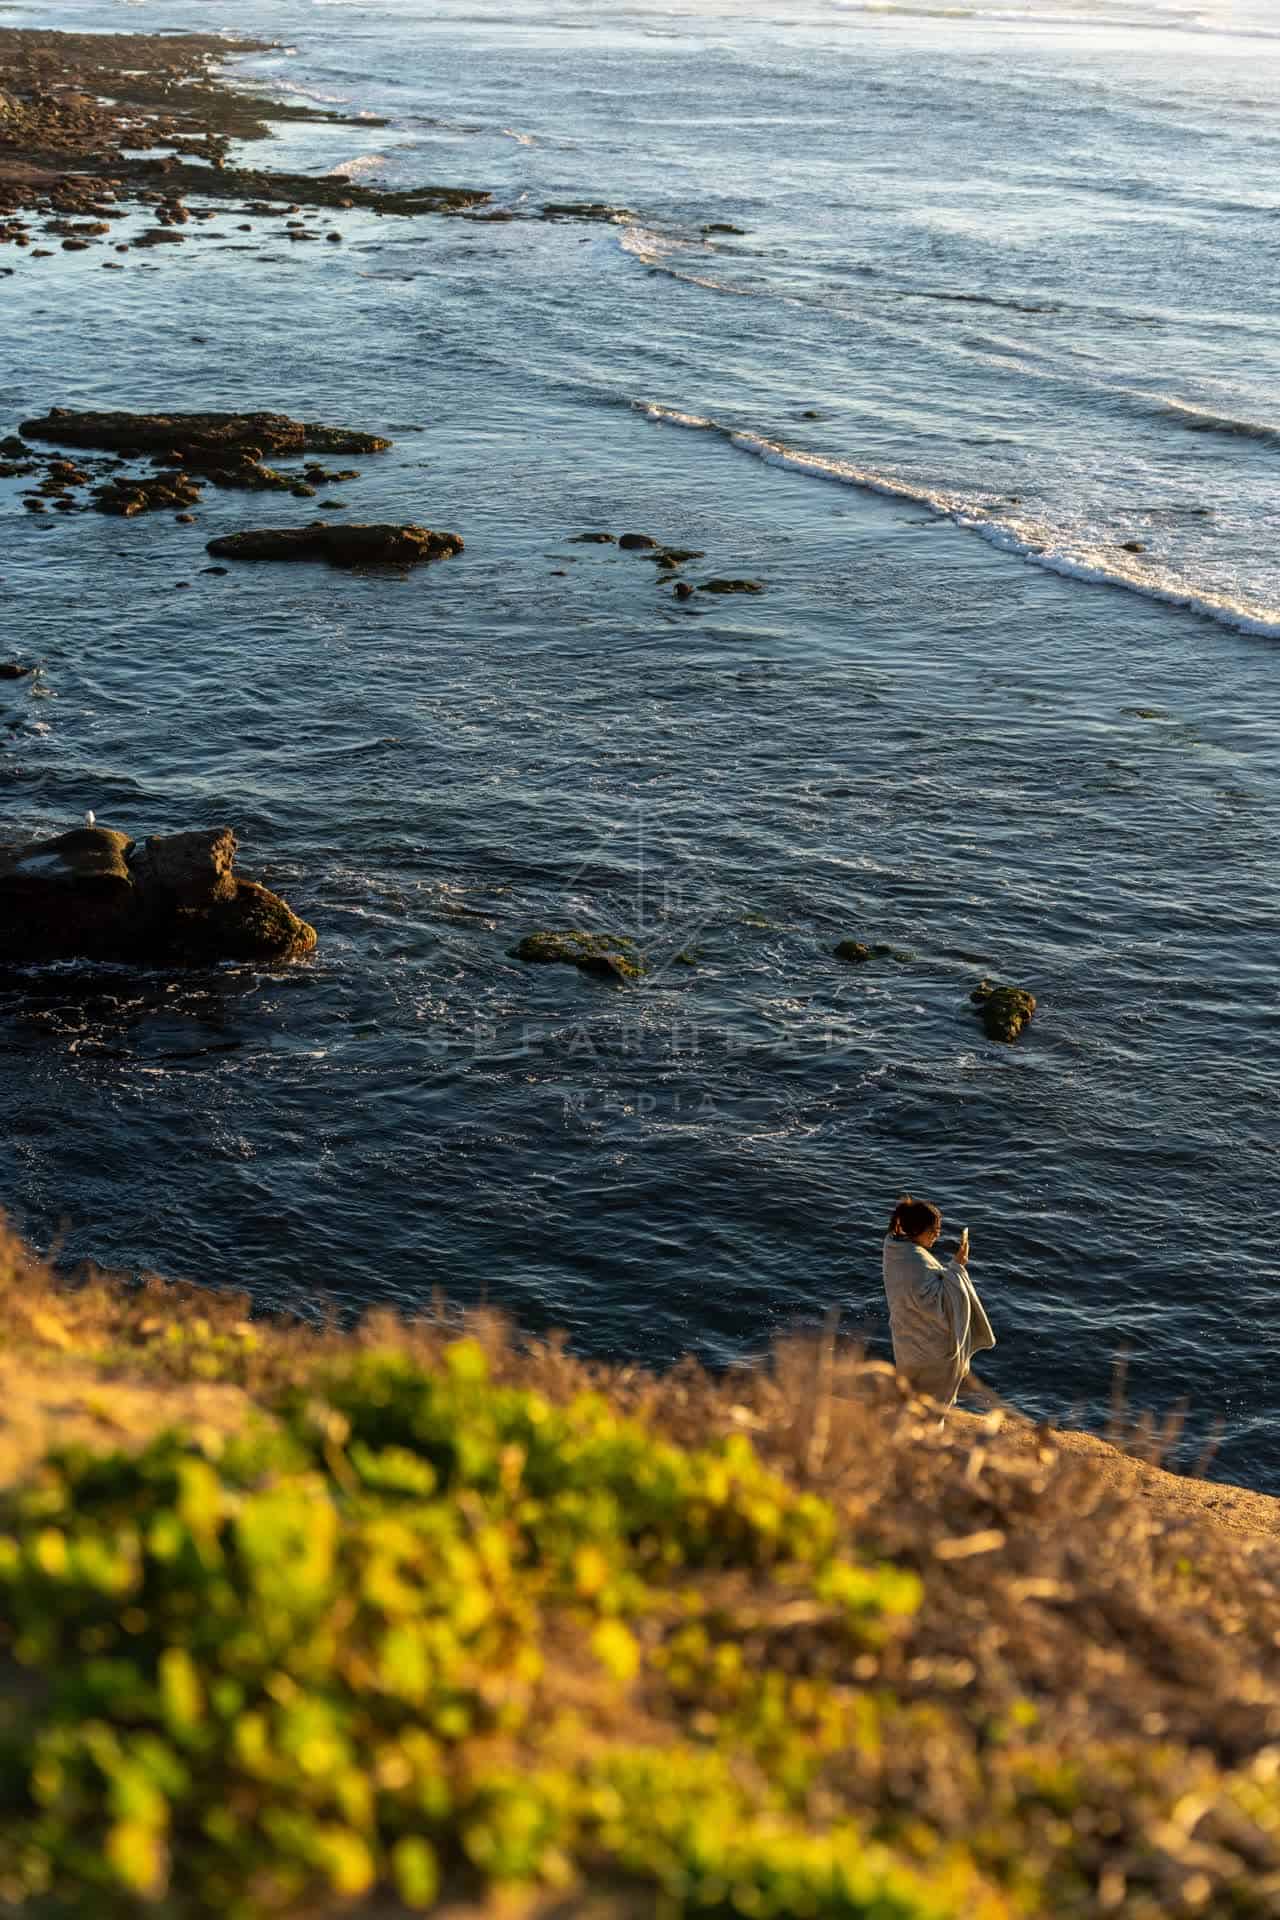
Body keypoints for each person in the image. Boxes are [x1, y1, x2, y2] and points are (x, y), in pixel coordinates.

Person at [882, 1195, 995, 1407]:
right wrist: (957, 1267)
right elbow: (934, 1304)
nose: (937, 1236)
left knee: (910, 1399)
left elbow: (920, 1292)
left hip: (906, 1340)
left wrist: (952, 1270)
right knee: (928, 1406)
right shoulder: (915, 1259)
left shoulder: (894, 1248)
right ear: (917, 1229)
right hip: (926, 1352)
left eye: (938, 1231)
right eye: (933, 1231)